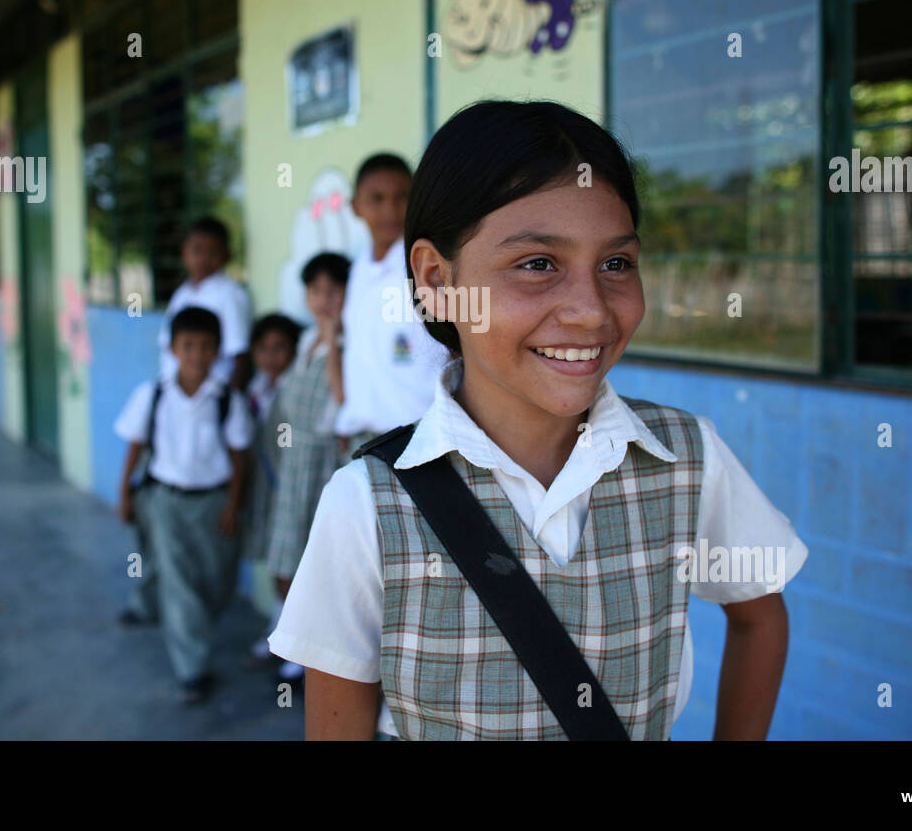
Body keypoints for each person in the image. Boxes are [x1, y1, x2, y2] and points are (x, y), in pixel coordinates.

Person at [270, 100, 807, 740]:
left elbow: (760, 617)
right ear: (436, 279)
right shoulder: (366, 505)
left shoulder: (686, 458)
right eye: (537, 264)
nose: (589, 311)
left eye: (616, 263)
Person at [116, 305, 254, 704]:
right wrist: (125, 492)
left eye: (206, 346)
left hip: (213, 503)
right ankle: (193, 670)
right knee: (179, 585)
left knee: (217, 580)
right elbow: (135, 445)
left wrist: (232, 506)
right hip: (166, 501)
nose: (197, 354)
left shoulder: (227, 400)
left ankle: (187, 628)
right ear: (173, 348)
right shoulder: (153, 394)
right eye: (188, 345)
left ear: (218, 351)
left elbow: (239, 456)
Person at [262, 251, 352, 684]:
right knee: (284, 560)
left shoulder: (350, 344)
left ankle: (304, 653)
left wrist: (334, 339)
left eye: (333, 290)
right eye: (316, 290)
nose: (324, 299)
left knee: (312, 563)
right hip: (295, 463)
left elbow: (342, 397)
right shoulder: (304, 341)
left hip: (322, 466)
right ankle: (284, 633)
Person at [332, 153, 446, 456]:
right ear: (355, 207)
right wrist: (348, 418)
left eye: (401, 197)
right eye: (377, 199)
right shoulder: (358, 270)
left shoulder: (429, 268)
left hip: (421, 437)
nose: (390, 210)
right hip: (364, 438)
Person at [240, 312, 301, 662]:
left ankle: (293, 653)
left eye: (280, 348)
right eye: (263, 349)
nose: (271, 356)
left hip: (288, 488)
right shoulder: (256, 388)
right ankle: (278, 634)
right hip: (267, 485)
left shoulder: (293, 389)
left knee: (288, 570)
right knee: (278, 566)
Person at [158, 217, 253, 390]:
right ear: (184, 251)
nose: (203, 259)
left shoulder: (229, 294)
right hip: (176, 393)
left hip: (212, 393)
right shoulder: (182, 293)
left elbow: (239, 355)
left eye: (213, 252)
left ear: (226, 256)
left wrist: (228, 404)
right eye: (197, 250)